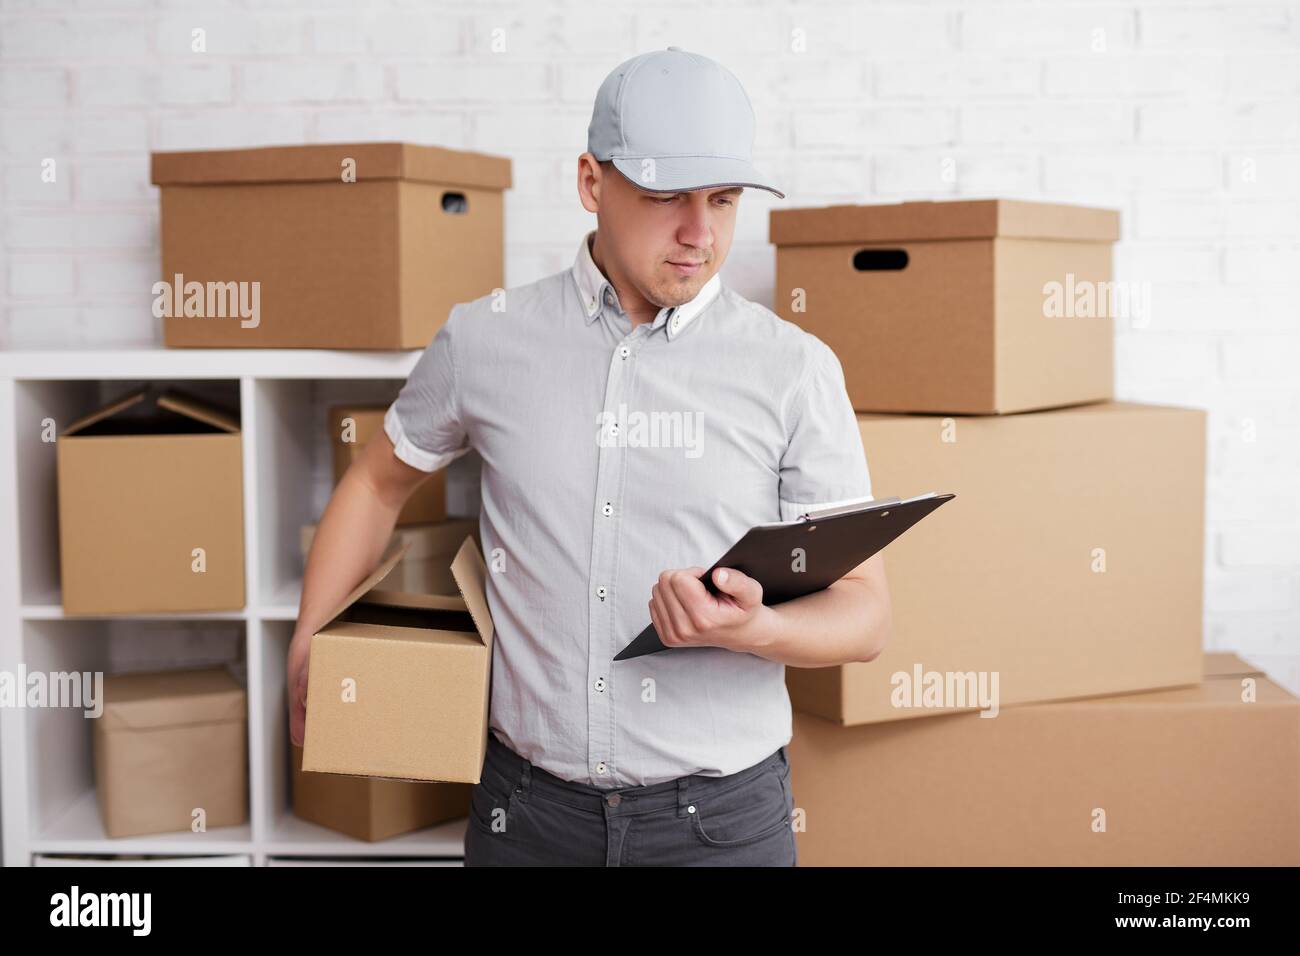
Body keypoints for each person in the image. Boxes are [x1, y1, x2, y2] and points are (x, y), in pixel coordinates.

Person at [287, 47, 891, 867]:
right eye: (665, 196)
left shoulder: (794, 370)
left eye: (722, 199)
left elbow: (866, 616)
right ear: (591, 183)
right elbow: (376, 481)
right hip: (525, 817)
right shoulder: (485, 339)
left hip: (719, 829)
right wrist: (313, 636)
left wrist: (759, 627)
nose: (699, 234)